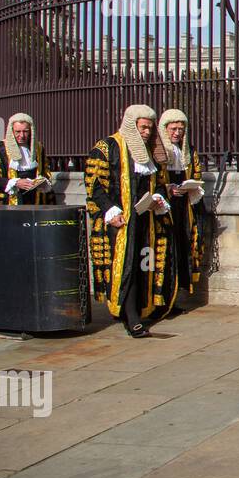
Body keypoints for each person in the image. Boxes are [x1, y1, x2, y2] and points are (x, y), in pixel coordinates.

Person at [85, 105, 177, 337]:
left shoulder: (152, 151)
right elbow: (94, 185)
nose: (146, 132)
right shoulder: (106, 147)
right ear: (131, 125)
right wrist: (111, 211)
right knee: (125, 267)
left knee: (142, 265)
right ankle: (131, 318)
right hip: (121, 220)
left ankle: (138, 310)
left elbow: (158, 183)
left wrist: (157, 197)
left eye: (149, 127)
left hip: (146, 220)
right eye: (142, 127)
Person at [159, 109, 207, 303]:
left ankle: (179, 294)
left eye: (181, 129)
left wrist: (191, 187)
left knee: (182, 247)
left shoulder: (189, 151)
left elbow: (196, 175)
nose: (177, 133)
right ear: (165, 129)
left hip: (183, 207)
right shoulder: (158, 151)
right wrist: (167, 189)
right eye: (173, 128)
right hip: (164, 208)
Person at [0, 113, 54, 206]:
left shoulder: (38, 148)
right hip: (12, 202)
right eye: (17, 131)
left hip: (35, 200)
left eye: (25, 131)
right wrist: (14, 183)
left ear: (31, 131)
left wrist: (41, 182)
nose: (22, 135)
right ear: (11, 131)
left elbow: (46, 172)